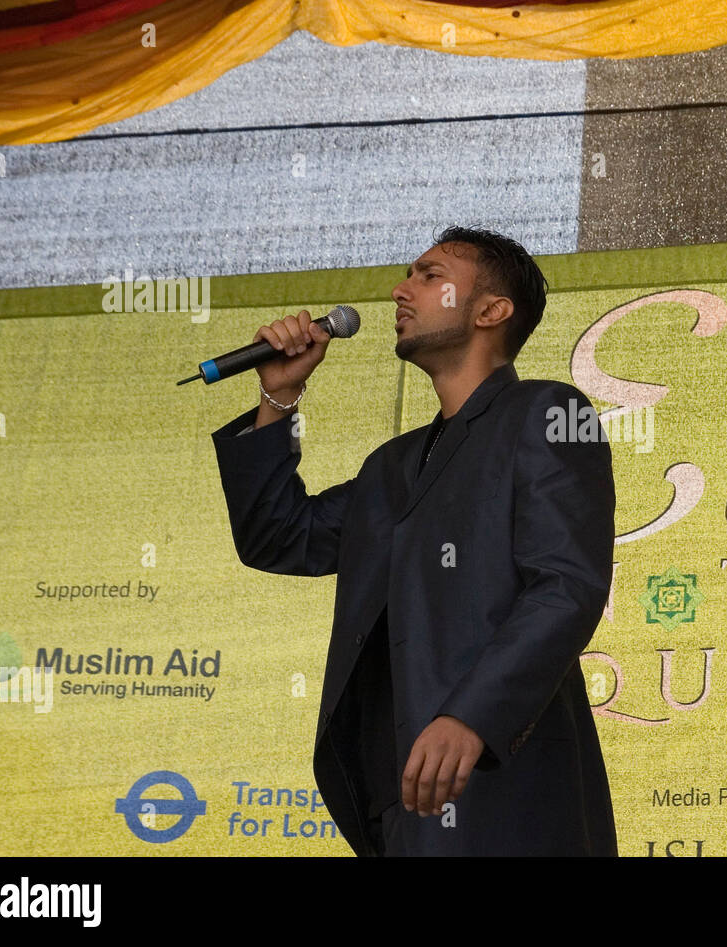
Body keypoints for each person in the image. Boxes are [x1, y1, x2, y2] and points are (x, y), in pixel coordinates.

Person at [210, 226, 618, 855]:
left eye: (430, 275)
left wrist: (471, 715)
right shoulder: (390, 469)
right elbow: (277, 536)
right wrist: (279, 395)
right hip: (399, 804)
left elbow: (566, 587)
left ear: (491, 310)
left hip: (501, 790)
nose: (402, 291)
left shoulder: (547, 413)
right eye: (408, 275)